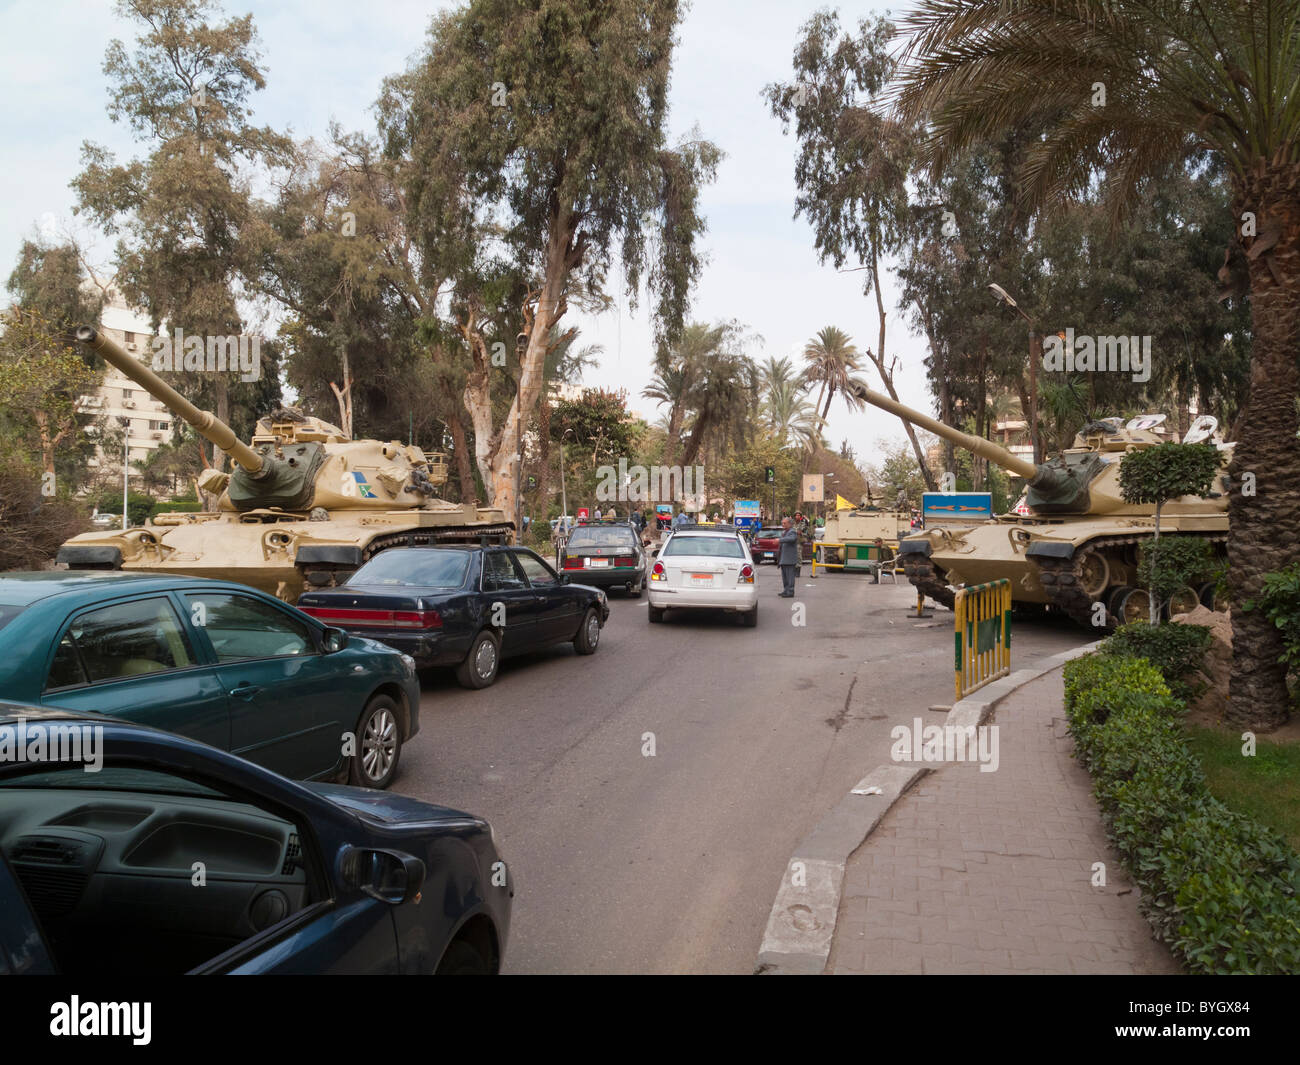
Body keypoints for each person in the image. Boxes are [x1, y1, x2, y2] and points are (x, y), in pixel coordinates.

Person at [777, 517, 799, 597]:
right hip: (784, 559)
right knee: (785, 577)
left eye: (784, 523)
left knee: (790, 577)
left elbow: (792, 539)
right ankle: (786, 590)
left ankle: (790, 591)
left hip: (790, 559)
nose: (783, 525)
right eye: (782, 523)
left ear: (789, 524)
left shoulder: (792, 531)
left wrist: (780, 540)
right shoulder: (785, 532)